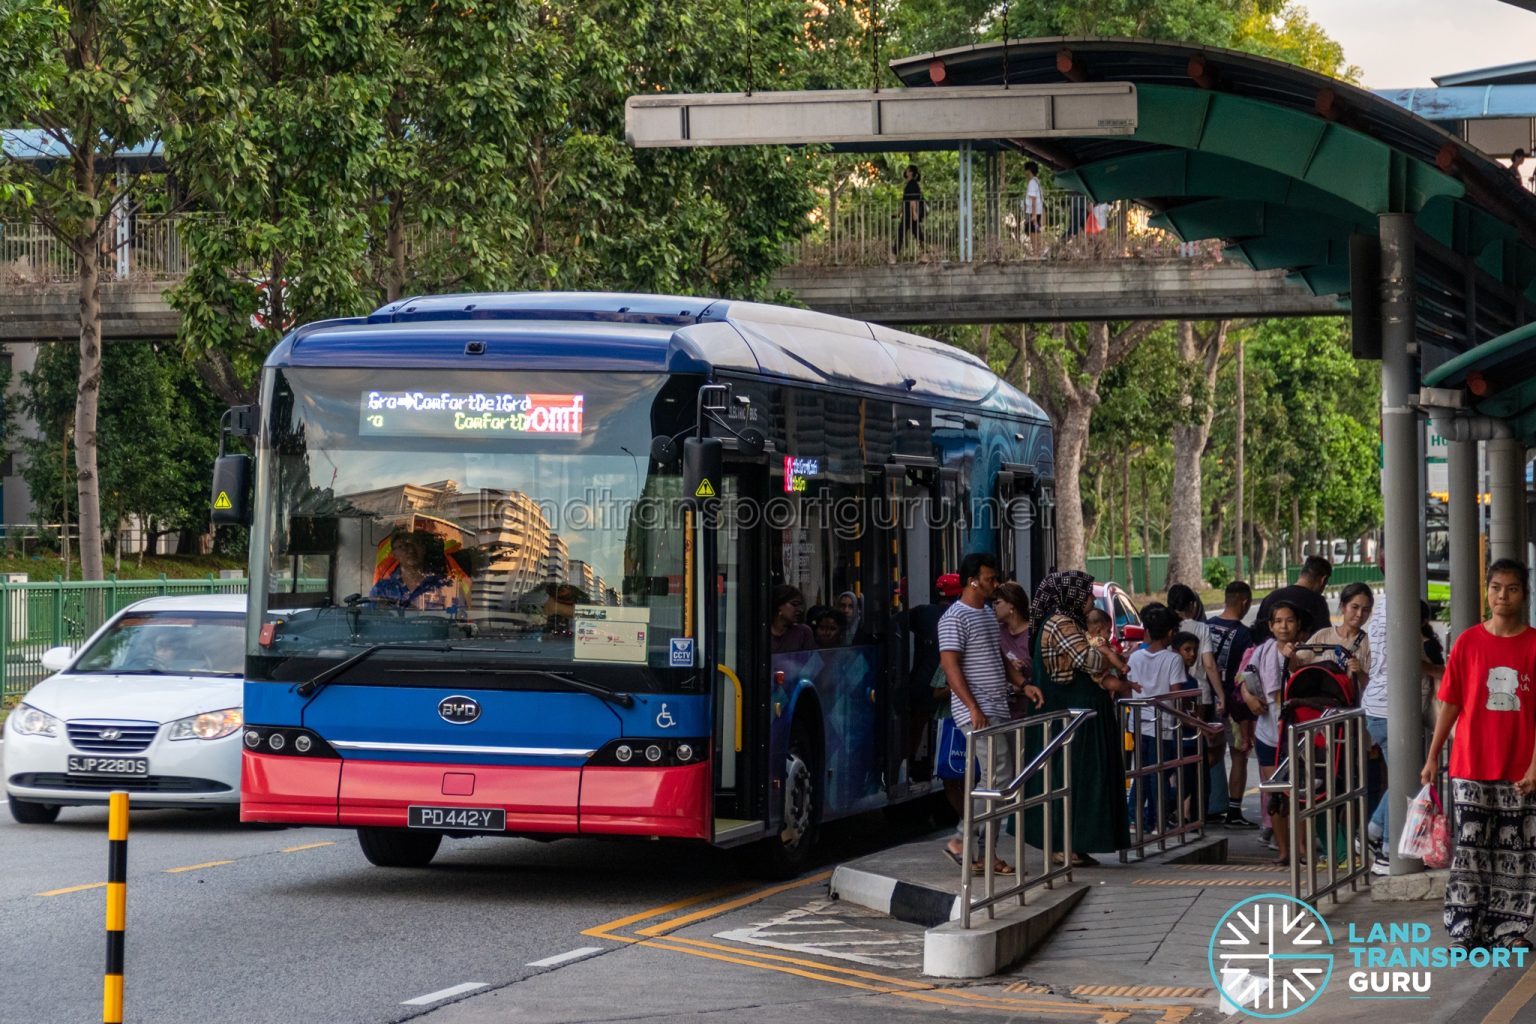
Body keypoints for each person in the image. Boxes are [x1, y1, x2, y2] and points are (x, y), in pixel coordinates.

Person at [1422, 559, 1536, 949]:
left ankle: (1510, 930)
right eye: (1496, 587)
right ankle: (1464, 928)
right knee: (1470, 849)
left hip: (1521, 771)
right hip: (1470, 765)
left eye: (1512, 588)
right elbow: (1450, 704)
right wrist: (1432, 755)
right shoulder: (1468, 642)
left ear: (1524, 594)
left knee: (1515, 852)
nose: (1502, 596)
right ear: (1487, 591)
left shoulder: (1535, 645)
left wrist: (1535, 766)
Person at [1024, 570, 1133, 866]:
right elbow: (1088, 659)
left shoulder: (1068, 622)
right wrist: (1107, 652)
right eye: (1085, 593)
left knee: (1078, 781)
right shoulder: (1061, 623)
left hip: (1080, 715)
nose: (1089, 599)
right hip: (1070, 716)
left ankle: (1076, 843)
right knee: (1070, 778)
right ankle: (1062, 844)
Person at [939, 553, 1016, 875]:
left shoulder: (984, 614)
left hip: (995, 708)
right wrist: (972, 707)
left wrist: (1022, 683)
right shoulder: (954, 618)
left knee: (996, 780)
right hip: (978, 712)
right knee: (995, 780)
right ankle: (966, 844)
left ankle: (973, 846)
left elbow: (996, 655)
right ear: (972, 580)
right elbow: (950, 665)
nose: (994, 585)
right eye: (990, 578)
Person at [1243, 601, 1302, 865]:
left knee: (1297, 793)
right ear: (1270, 625)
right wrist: (1249, 698)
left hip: (1294, 733)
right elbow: (1244, 678)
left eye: (1289, 620)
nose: (1284, 626)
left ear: (1297, 625)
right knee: (1274, 793)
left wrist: (1292, 659)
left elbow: (1299, 678)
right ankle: (1283, 851)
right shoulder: (1262, 651)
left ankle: (1301, 849)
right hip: (1267, 732)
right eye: (1278, 621)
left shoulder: (1304, 652)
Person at [1126, 607, 1187, 832]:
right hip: (1163, 724)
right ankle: (1156, 820)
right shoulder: (1173, 660)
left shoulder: (1135, 657)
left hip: (1138, 722)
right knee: (1159, 774)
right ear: (1171, 633)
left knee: (1140, 772)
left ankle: (1134, 818)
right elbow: (1176, 693)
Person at [1208, 581, 1259, 828]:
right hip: (1233, 706)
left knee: (1207, 754)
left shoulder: (1206, 627)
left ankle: (1192, 805)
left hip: (1205, 702)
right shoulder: (1244, 635)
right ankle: (1234, 812)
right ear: (1245, 602)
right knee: (1239, 755)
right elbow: (1246, 675)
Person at [371, 530, 462, 612]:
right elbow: (369, 620)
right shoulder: (382, 589)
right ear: (394, 554)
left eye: (416, 544)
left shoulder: (445, 584)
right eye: (402, 547)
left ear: (424, 548)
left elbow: (457, 619)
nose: (411, 550)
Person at [1252, 556, 1333, 643]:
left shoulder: (1270, 597)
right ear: (1322, 580)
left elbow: (1257, 634)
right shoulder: (1317, 602)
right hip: (1302, 656)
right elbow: (1325, 639)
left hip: (1268, 655)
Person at [990, 581, 1037, 716]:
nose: (994, 607)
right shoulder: (995, 631)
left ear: (1011, 604)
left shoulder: (1034, 634)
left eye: (997, 603)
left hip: (1028, 709)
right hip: (1001, 710)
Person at [770, 585, 814, 654]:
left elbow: (811, 662)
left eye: (800, 605)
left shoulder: (803, 632)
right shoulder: (762, 632)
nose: (800, 610)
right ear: (779, 605)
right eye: (794, 604)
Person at [894, 164, 925, 257]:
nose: (905, 172)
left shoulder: (912, 184)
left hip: (909, 214)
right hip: (908, 214)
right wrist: (899, 213)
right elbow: (905, 201)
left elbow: (912, 200)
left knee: (902, 234)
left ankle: (894, 254)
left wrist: (914, 212)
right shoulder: (911, 184)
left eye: (907, 170)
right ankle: (926, 253)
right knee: (917, 234)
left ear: (911, 173)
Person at [1023, 162, 1045, 253]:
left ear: (1029, 170)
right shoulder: (1036, 181)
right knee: (1036, 230)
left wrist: (1034, 214)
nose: (1024, 172)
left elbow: (1033, 199)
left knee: (1032, 232)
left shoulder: (1032, 182)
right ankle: (1038, 251)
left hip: (1033, 212)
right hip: (1037, 211)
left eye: (1025, 170)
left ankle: (1036, 252)